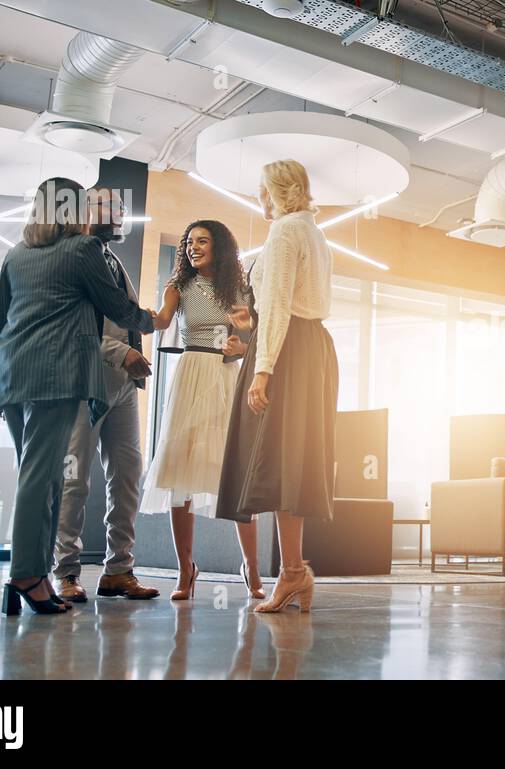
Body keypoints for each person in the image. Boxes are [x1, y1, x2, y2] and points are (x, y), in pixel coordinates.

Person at [0, 177, 155, 615]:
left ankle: (35, 574)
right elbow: (120, 311)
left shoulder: (16, 254)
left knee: (42, 474)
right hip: (56, 377)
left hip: (12, 375)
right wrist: (156, 319)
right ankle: (28, 573)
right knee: (42, 478)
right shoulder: (80, 251)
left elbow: (1, 321)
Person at [215, 159, 338, 614]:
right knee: (291, 462)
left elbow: (281, 304)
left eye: (261, 189)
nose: (258, 198)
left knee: (275, 459)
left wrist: (262, 368)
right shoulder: (315, 233)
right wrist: (255, 320)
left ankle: (292, 573)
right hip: (311, 348)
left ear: (275, 191)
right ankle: (293, 573)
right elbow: (291, 302)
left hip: (287, 351)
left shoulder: (285, 232)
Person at [142, 219, 263, 601]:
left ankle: (253, 570)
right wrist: (134, 313)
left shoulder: (238, 289)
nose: (194, 247)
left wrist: (240, 348)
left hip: (225, 377)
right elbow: (161, 321)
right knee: (180, 471)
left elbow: (251, 339)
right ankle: (185, 570)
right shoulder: (178, 286)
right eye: (189, 242)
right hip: (190, 374)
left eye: (203, 241)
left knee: (235, 473)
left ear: (219, 247)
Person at [53, 187, 160, 603]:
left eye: (121, 209)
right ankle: (65, 573)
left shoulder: (110, 258)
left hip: (123, 388)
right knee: (73, 480)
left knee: (128, 477)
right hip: (85, 382)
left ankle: (119, 570)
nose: (118, 214)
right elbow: (69, 326)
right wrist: (122, 352)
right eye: (109, 207)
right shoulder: (72, 256)